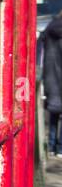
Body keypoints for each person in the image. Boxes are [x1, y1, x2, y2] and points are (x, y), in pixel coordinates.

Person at [39, 11, 62, 156]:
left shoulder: (50, 28)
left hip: (51, 76)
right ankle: (60, 148)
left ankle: (52, 146)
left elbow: (41, 43)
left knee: (54, 113)